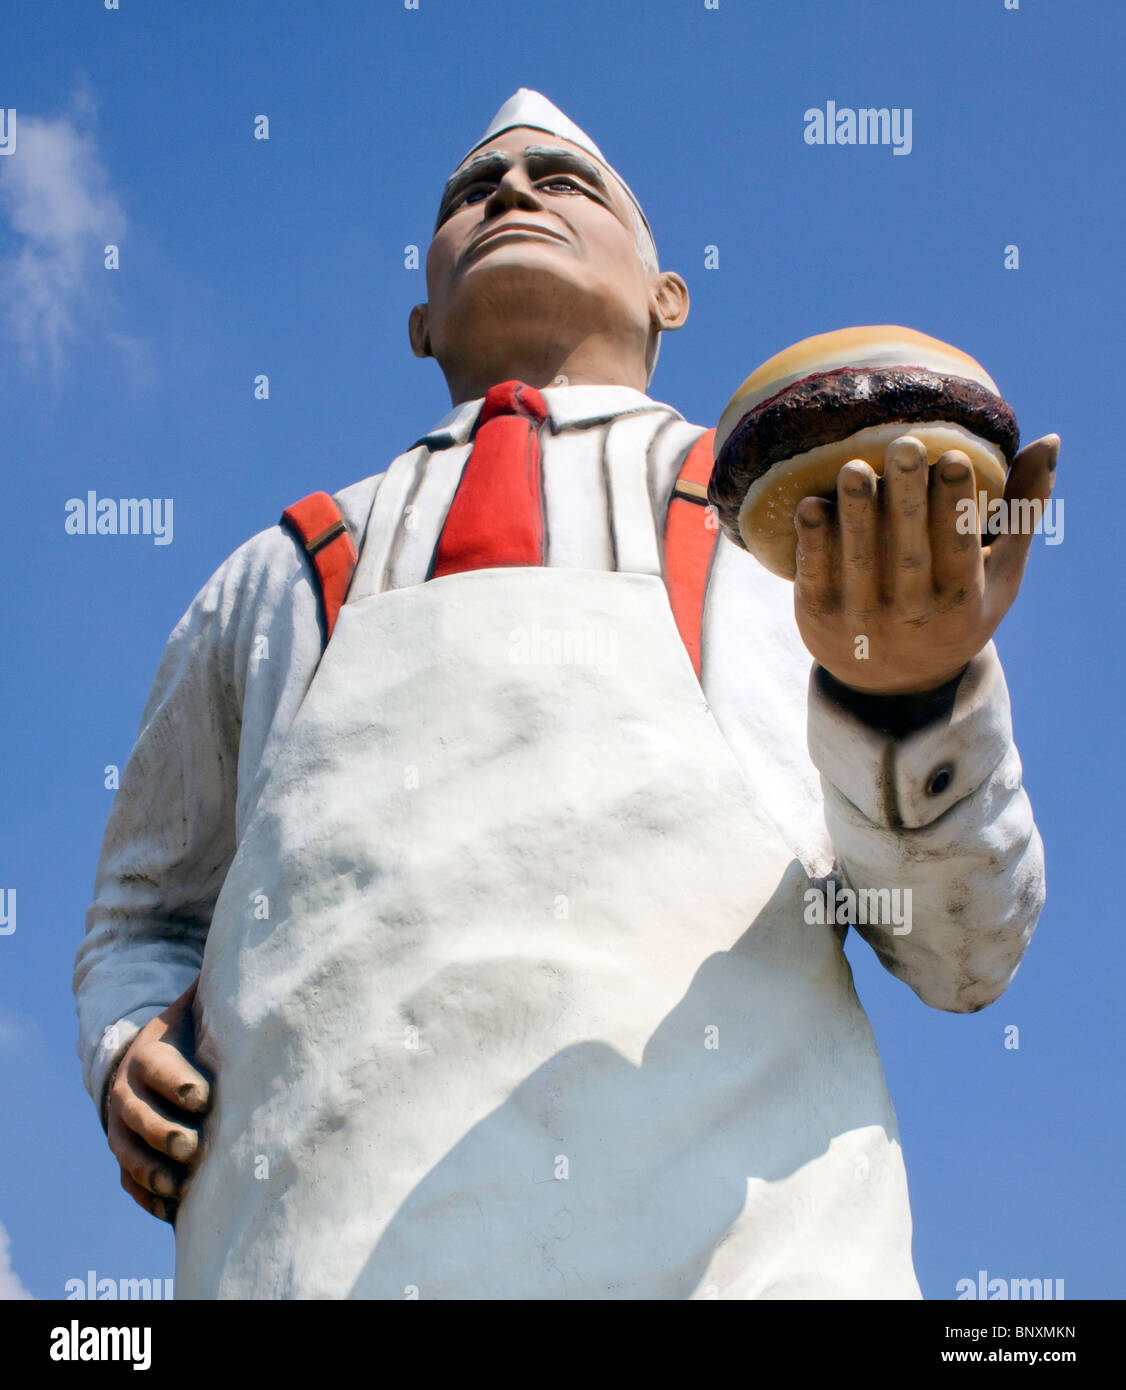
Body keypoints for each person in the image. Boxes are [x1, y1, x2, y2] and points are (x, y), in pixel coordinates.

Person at [74, 89, 1055, 1299]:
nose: (514, 193)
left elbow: (966, 952)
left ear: (667, 296)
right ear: (420, 322)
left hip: (757, 1254)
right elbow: (138, 917)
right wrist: (123, 1041)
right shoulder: (274, 573)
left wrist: (911, 699)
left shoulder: (801, 530)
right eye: (472, 192)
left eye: (562, 179)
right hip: (306, 1246)